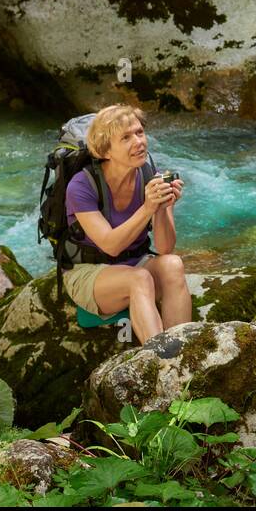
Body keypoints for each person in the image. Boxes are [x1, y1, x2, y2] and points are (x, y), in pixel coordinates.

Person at [61, 104, 192, 344]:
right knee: (138, 278)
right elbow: (110, 246)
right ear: (105, 150)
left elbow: (164, 248)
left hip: (135, 262)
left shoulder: (150, 175)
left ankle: (181, 351)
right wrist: (148, 208)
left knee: (173, 264)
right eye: (126, 138)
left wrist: (163, 207)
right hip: (90, 271)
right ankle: (161, 357)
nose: (139, 142)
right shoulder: (81, 186)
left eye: (140, 132)